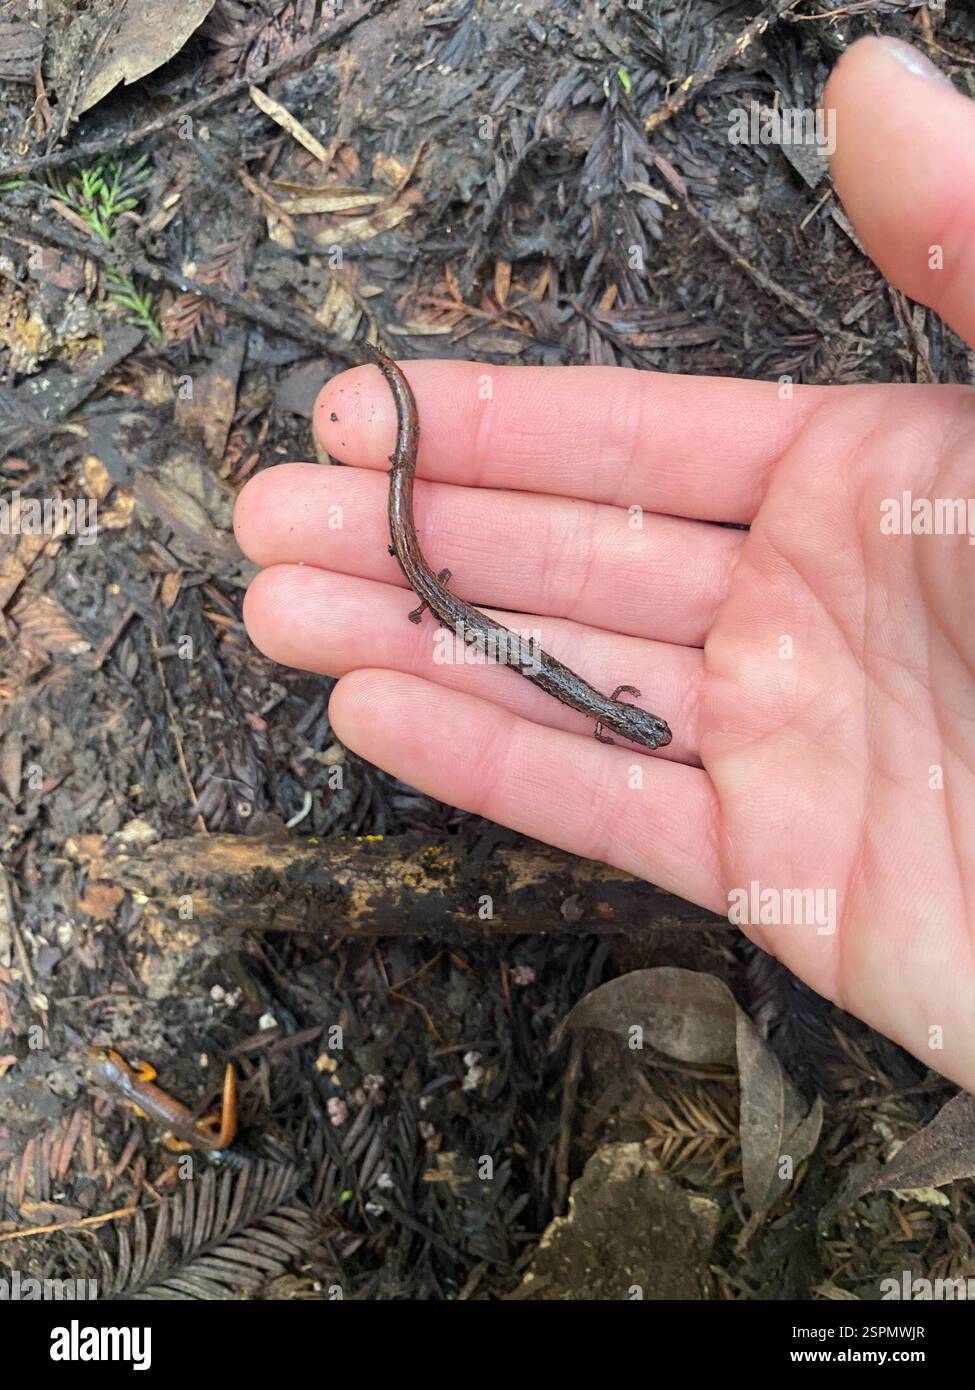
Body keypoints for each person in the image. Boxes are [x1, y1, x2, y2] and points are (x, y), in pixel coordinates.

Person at [235, 38, 975, 1091]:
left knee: (450, 609)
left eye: (638, 727)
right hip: (453, 602)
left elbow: (586, 692)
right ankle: (403, 444)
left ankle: (413, 494)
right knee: (444, 598)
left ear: (621, 718)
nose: (640, 725)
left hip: (456, 605)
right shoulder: (611, 706)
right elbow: (586, 693)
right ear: (620, 718)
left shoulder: (613, 706)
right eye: (636, 726)